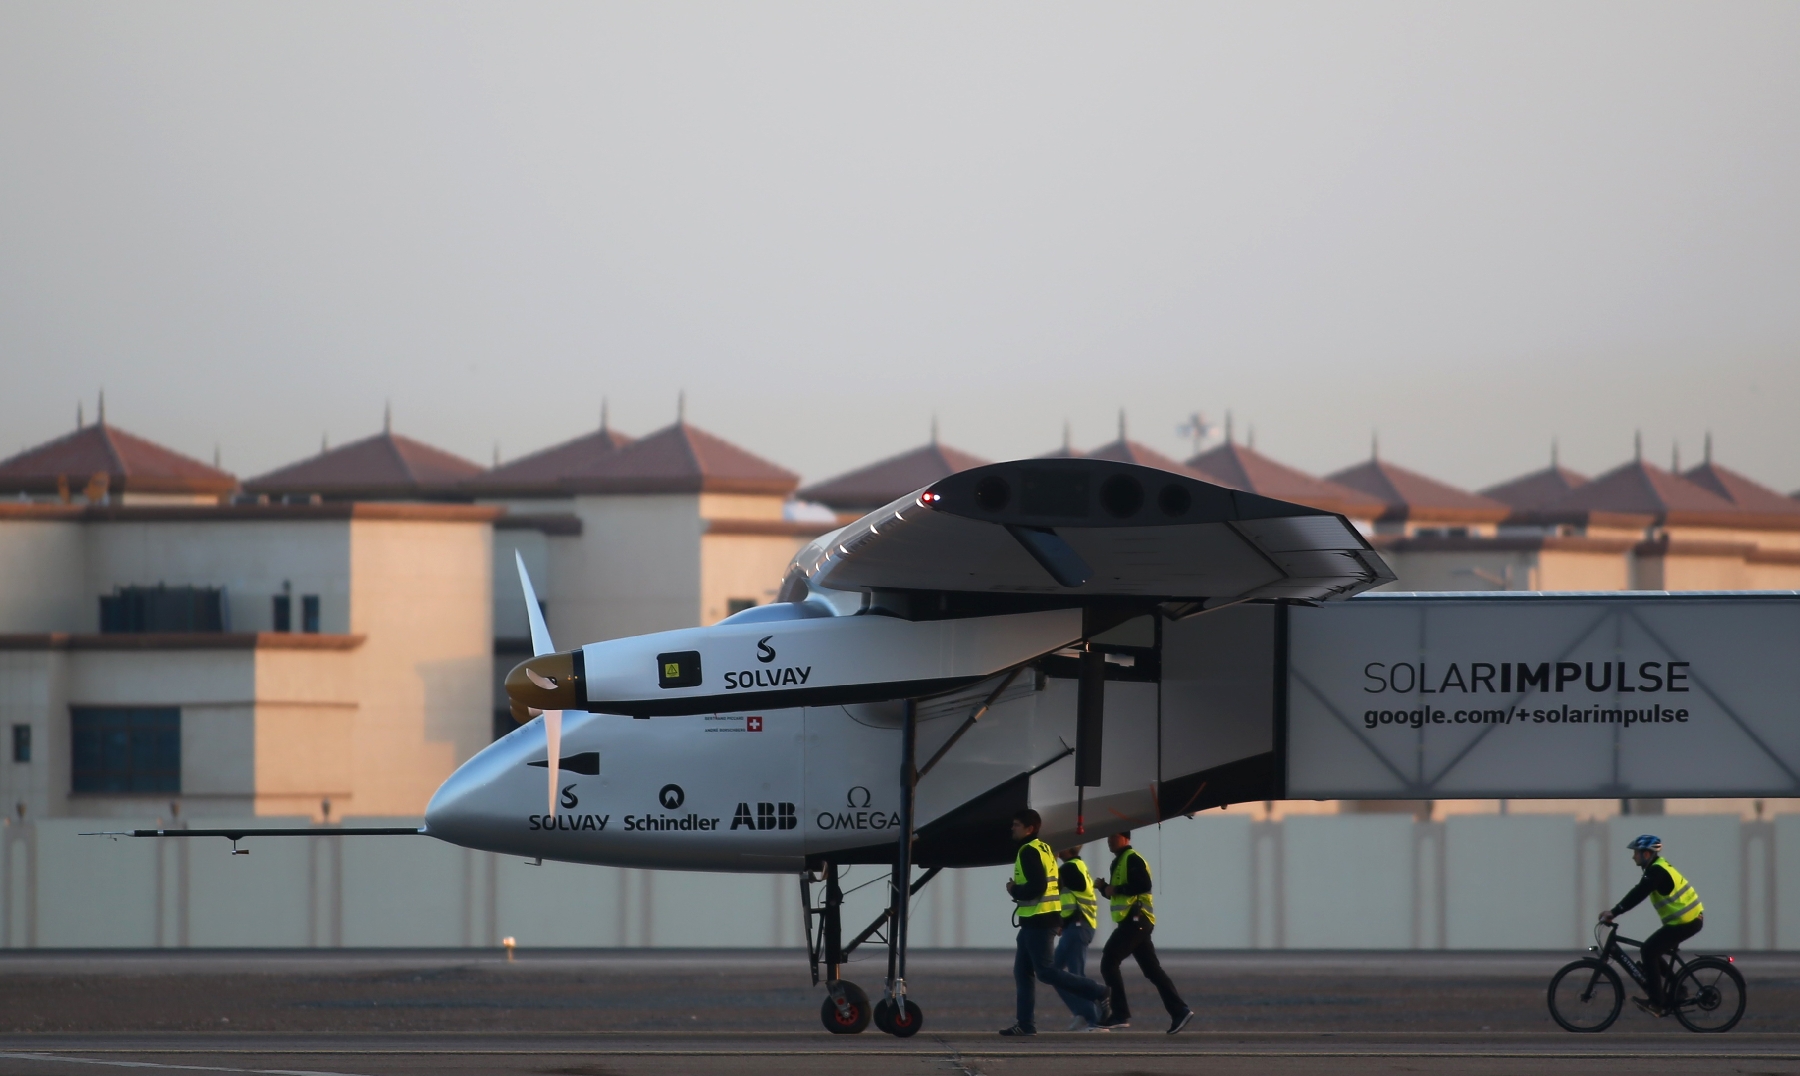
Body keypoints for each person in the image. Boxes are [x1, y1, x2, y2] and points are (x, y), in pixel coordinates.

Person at [999, 808, 1112, 1036]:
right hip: (1036, 920)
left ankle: (1099, 992)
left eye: (1016, 824)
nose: (1012, 828)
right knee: (1023, 972)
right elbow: (1054, 885)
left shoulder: (1028, 851)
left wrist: (1014, 889)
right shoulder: (1045, 848)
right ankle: (1026, 1024)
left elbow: (1037, 886)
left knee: (1046, 972)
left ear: (1029, 829)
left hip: (1039, 921)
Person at [1096, 830, 1195, 1034]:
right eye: (1108, 837)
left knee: (1109, 961)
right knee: (1152, 971)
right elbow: (1118, 895)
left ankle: (1120, 1014)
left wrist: (1116, 889)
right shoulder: (1120, 861)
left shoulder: (1132, 858)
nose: (1109, 841)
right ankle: (1180, 1011)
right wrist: (1104, 888)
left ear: (1126, 838)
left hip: (1136, 920)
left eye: (1113, 837)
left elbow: (1143, 885)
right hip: (1134, 922)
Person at [1600, 834, 1704, 1016]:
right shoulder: (1656, 868)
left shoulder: (1657, 872)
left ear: (1647, 854)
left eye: (1636, 853)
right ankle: (1678, 989)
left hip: (1686, 921)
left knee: (1648, 950)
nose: (1633, 856)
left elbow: (1638, 894)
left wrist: (1614, 912)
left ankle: (1657, 1003)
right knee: (1652, 952)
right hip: (1686, 920)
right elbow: (1639, 891)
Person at [1052, 845, 1103, 1030]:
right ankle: (1084, 1013)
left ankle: (1093, 1017)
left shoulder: (1069, 868)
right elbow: (1070, 900)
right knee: (1052, 971)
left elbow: (1048, 887)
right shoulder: (1077, 866)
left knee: (1073, 975)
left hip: (1079, 927)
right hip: (1074, 927)